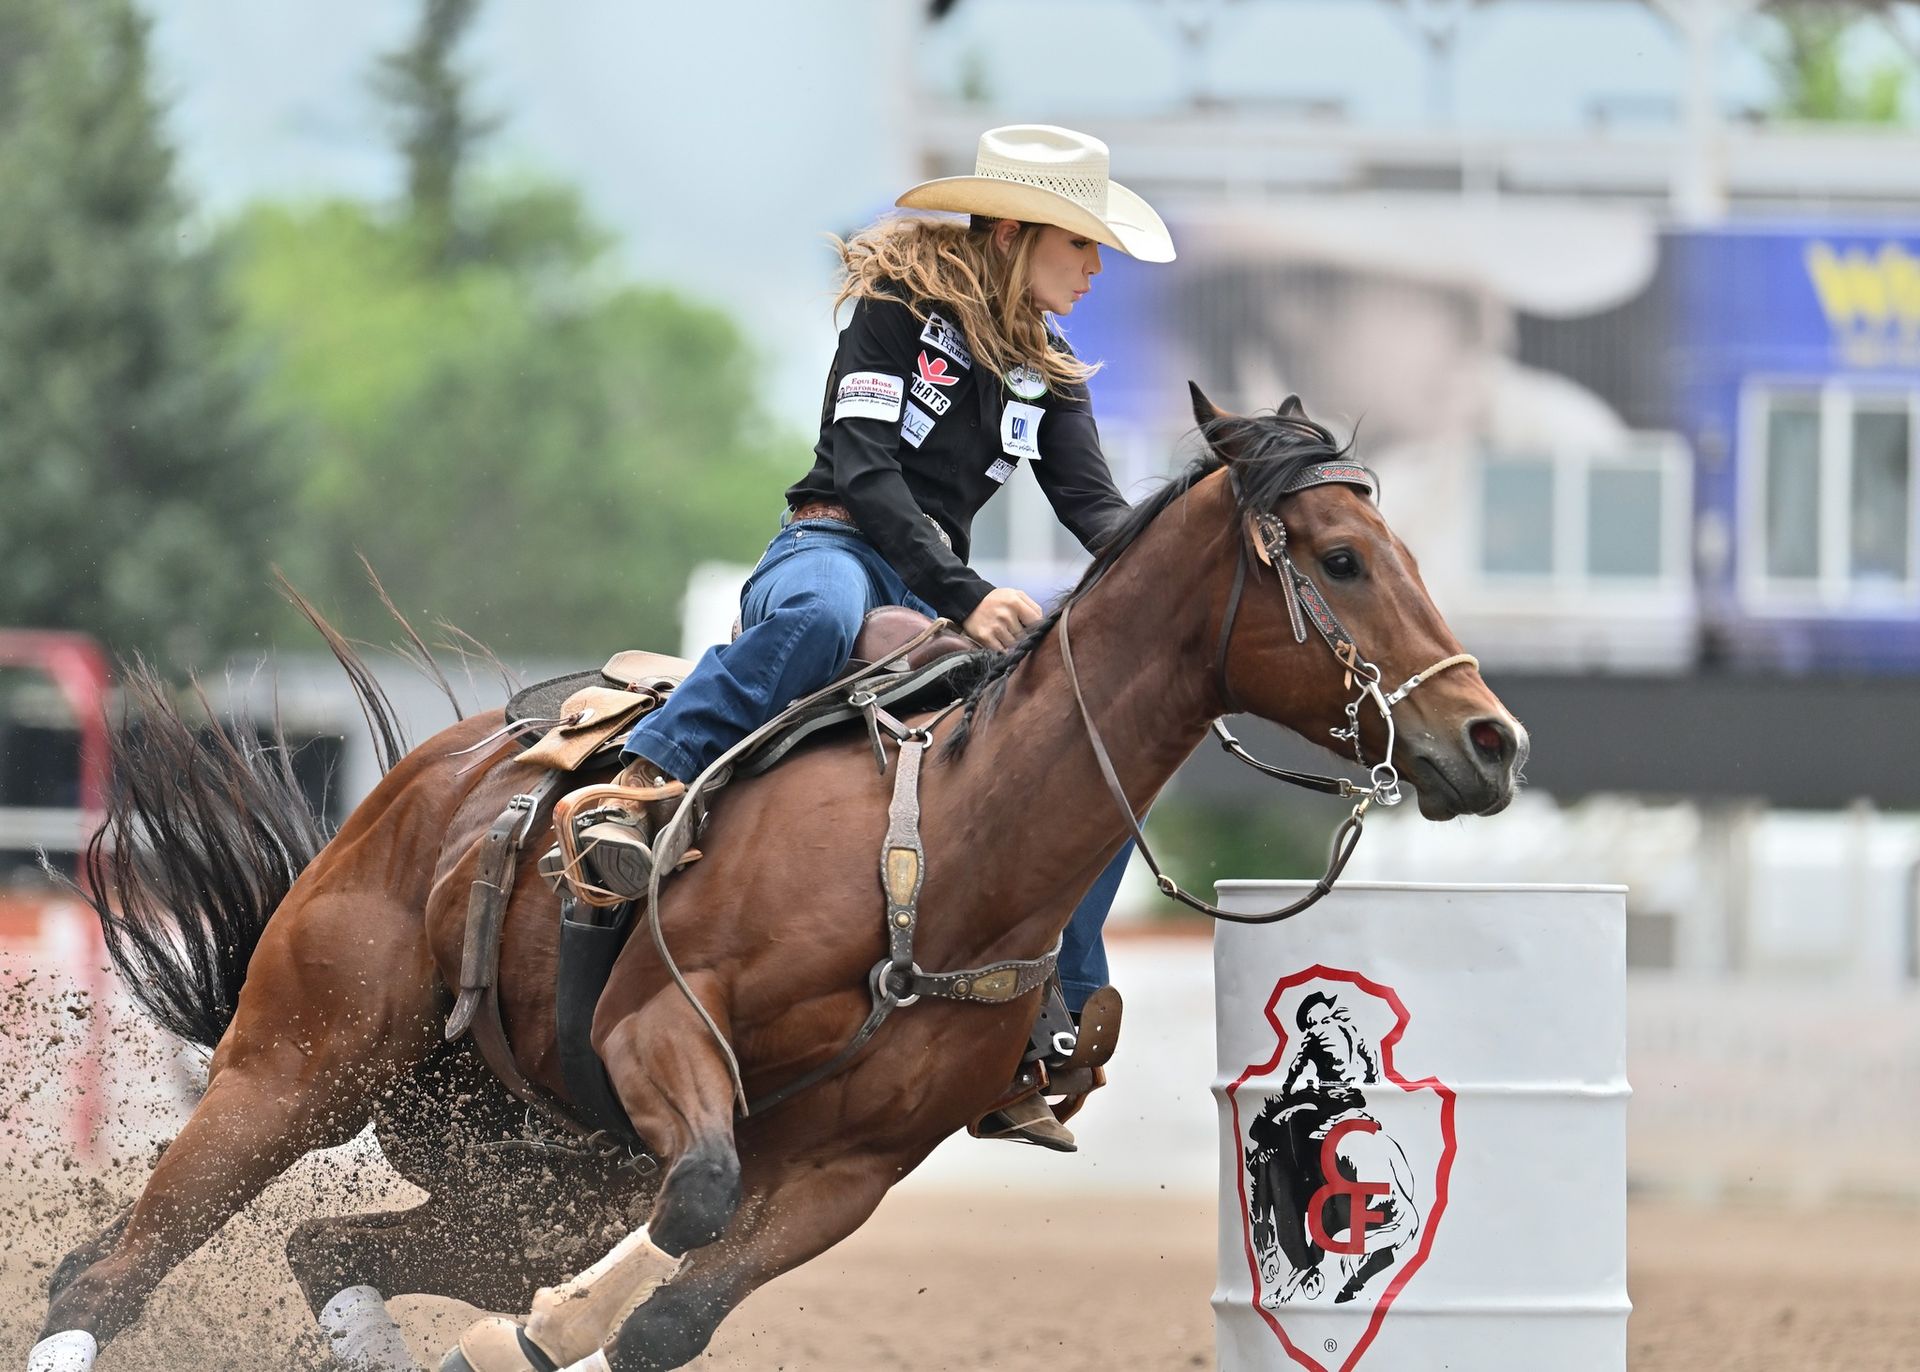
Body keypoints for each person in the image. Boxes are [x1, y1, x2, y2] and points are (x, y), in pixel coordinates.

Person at [579, 124, 1175, 1149]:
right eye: (1080, 244)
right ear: (1013, 231)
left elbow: (1097, 512)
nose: (1093, 267)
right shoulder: (898, 310)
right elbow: (862, 466)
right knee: (816, 618)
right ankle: (642, 786)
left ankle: (1047, 1018)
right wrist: (961, 588)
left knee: (1088, 748)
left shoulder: (1052, 368)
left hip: (934, 586)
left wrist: (1182, 556)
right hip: (837, 545)